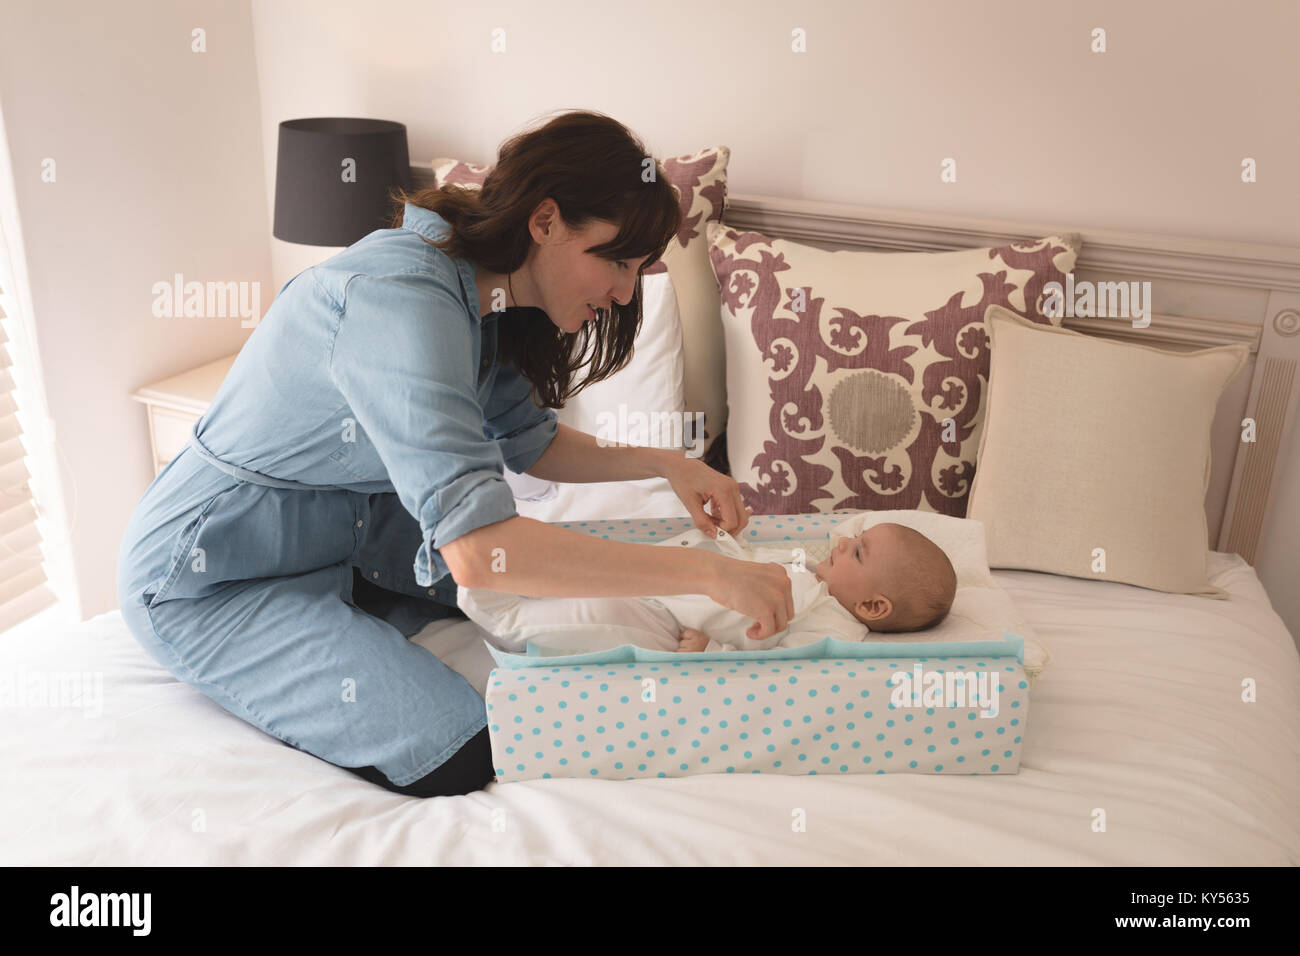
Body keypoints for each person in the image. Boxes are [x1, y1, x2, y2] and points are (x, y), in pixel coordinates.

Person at [116, 109, 794, 798]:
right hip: (215, 575)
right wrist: (703, 574)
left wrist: (666, 464)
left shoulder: (481, 298)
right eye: (615, 260)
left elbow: (536, 445)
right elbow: (478, 548)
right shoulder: (400, 299)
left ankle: (359, 613)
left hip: (347, 550)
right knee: (459, 748)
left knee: (546, 616)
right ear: (546, 220)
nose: (624, 291)